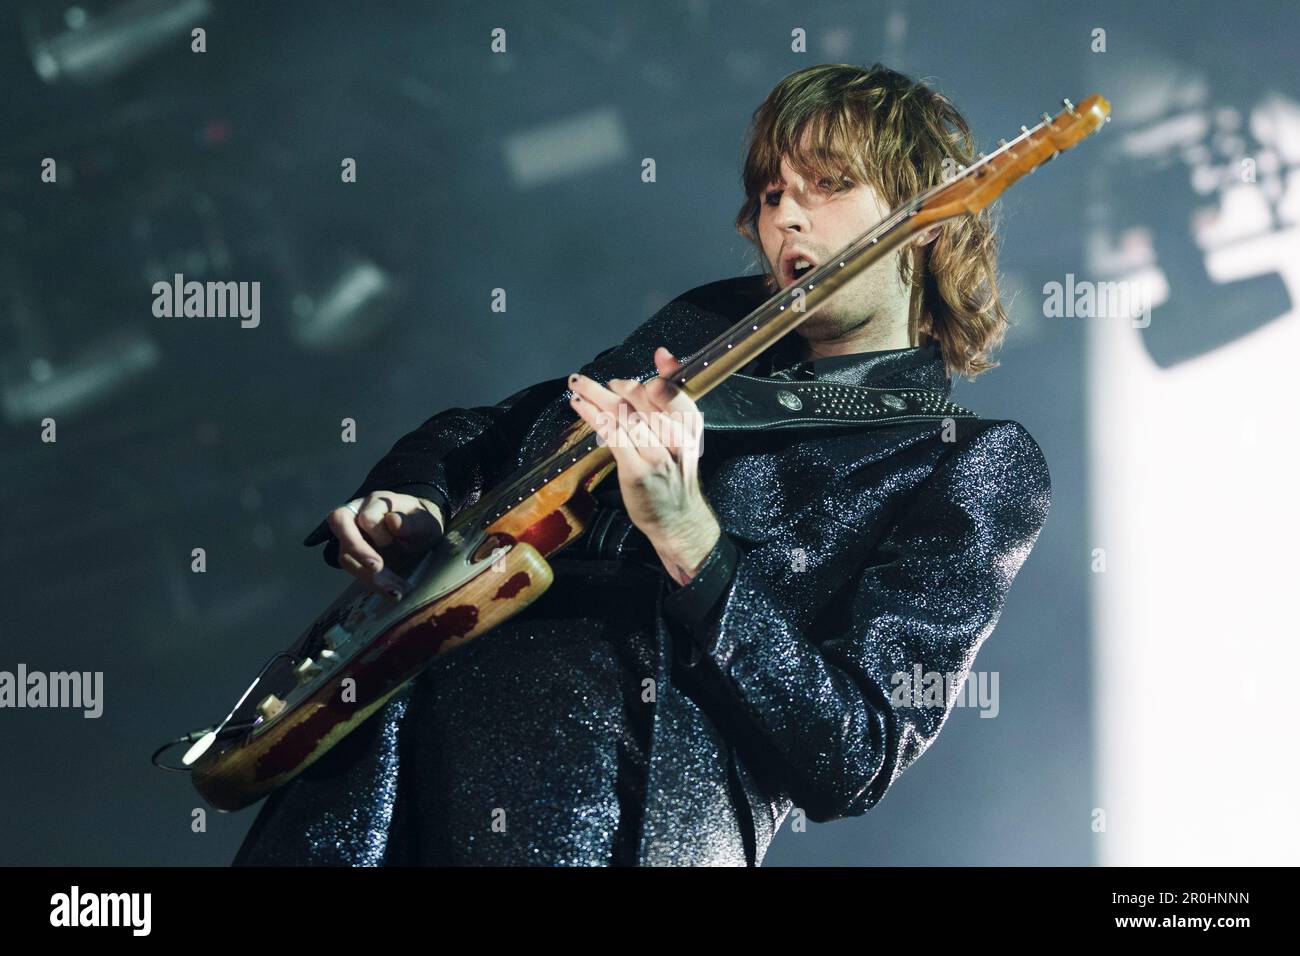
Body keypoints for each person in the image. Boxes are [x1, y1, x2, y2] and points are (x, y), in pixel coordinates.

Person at [232, 62, 1051, 867]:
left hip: (606, 805)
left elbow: (853, 752)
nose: (787, 219)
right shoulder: (701, 331)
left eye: (828, 185)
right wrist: (412, 495)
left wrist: (690, 535)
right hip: (382, 774)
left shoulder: (963, 461)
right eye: (772, 194)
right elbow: (494, 427)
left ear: (931, 219)